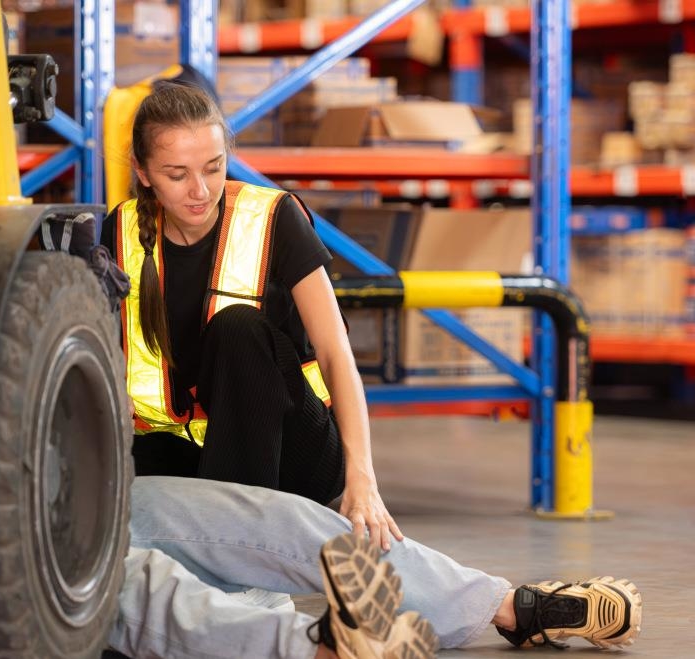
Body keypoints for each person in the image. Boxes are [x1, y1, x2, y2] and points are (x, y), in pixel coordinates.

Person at [100, 79, 401, 549]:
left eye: (214, 168)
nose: (200, 191)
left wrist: (364, 478)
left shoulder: (274, 218)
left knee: (237, 327)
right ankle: (214, 534)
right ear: (143, 172)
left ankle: (240, 545)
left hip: (291, 454)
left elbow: (335, 352)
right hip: (184, 452)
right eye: (177, 175)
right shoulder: (118, 233)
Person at [108, 476, 643, 659]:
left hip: (88, 493)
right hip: (50, 557)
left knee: (272, 519)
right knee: (125, 583)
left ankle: (508, 610)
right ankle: (322, 648)